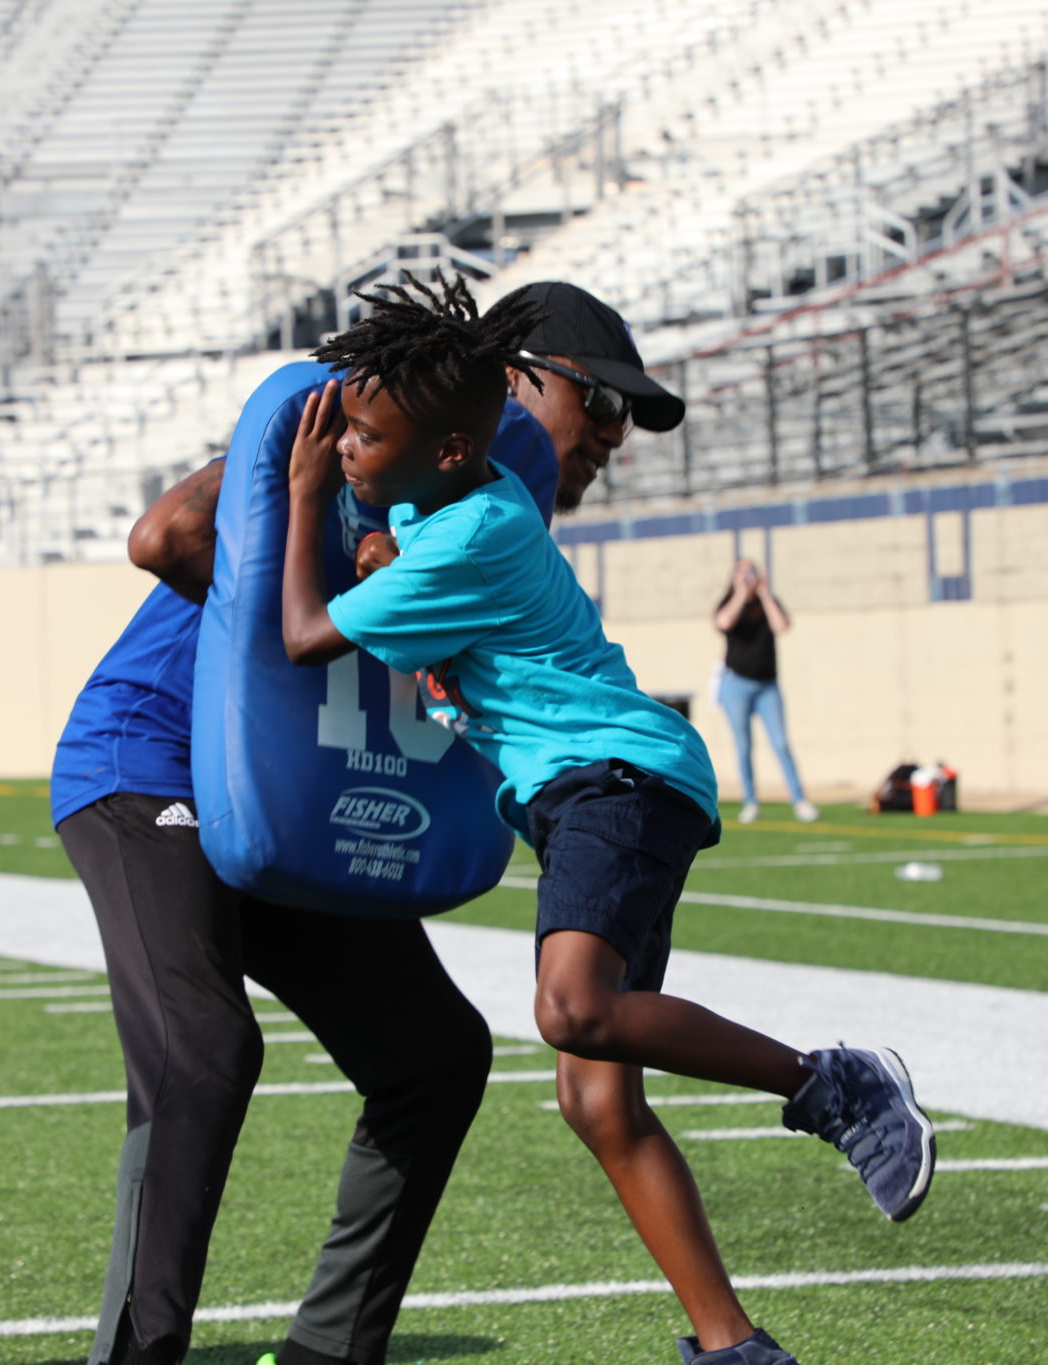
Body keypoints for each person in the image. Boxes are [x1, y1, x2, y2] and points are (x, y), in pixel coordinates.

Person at [280, 277, 932, 1365]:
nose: (615, 441)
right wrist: (376, 538)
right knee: (595, 1100)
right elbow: (403, 569)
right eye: (605, 407)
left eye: (365, 432)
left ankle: (832, 1083)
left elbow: (308, 635)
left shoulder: (476, 525)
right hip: (597, 789)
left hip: (608, 783)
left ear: (446, 443)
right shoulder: (445, 507)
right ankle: (733, 1347)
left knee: (572, 1011)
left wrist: (303, 493)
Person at [52, 278, 689, 1365]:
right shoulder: (358, 422)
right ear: (514, 379)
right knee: (205, 1047)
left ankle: (329, 1353)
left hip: (290, 797)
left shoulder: (495, 510)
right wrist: (313, 594)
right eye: (602, 405)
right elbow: (166, 534)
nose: (612, 441)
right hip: (152, 757)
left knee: (434, 1056)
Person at [714, 559, 819, 825]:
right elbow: (724, 623)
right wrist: (740, 593)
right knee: (744, 746)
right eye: (742, 572)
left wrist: (764, 593)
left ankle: (800, 800)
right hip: (736, 684)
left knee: (781, 743)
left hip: (767, 686)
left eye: (752, 571)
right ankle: (750, 802)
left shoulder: (767, 602)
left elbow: (782, 626)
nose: (748, 576)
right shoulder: (729, 601)